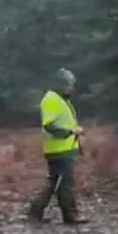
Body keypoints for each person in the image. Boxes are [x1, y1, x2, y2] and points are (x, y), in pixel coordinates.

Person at [26, 68, 89, 224]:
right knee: (64, 184)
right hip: (59, 150)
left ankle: (35, 213)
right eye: (69, 84)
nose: (71, 87)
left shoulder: (60, 99)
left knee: (56, 183)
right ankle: (69, 215)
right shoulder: (52, 99)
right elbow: (49, 126)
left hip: (63, 149)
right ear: (61, 84)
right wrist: (71, 132)